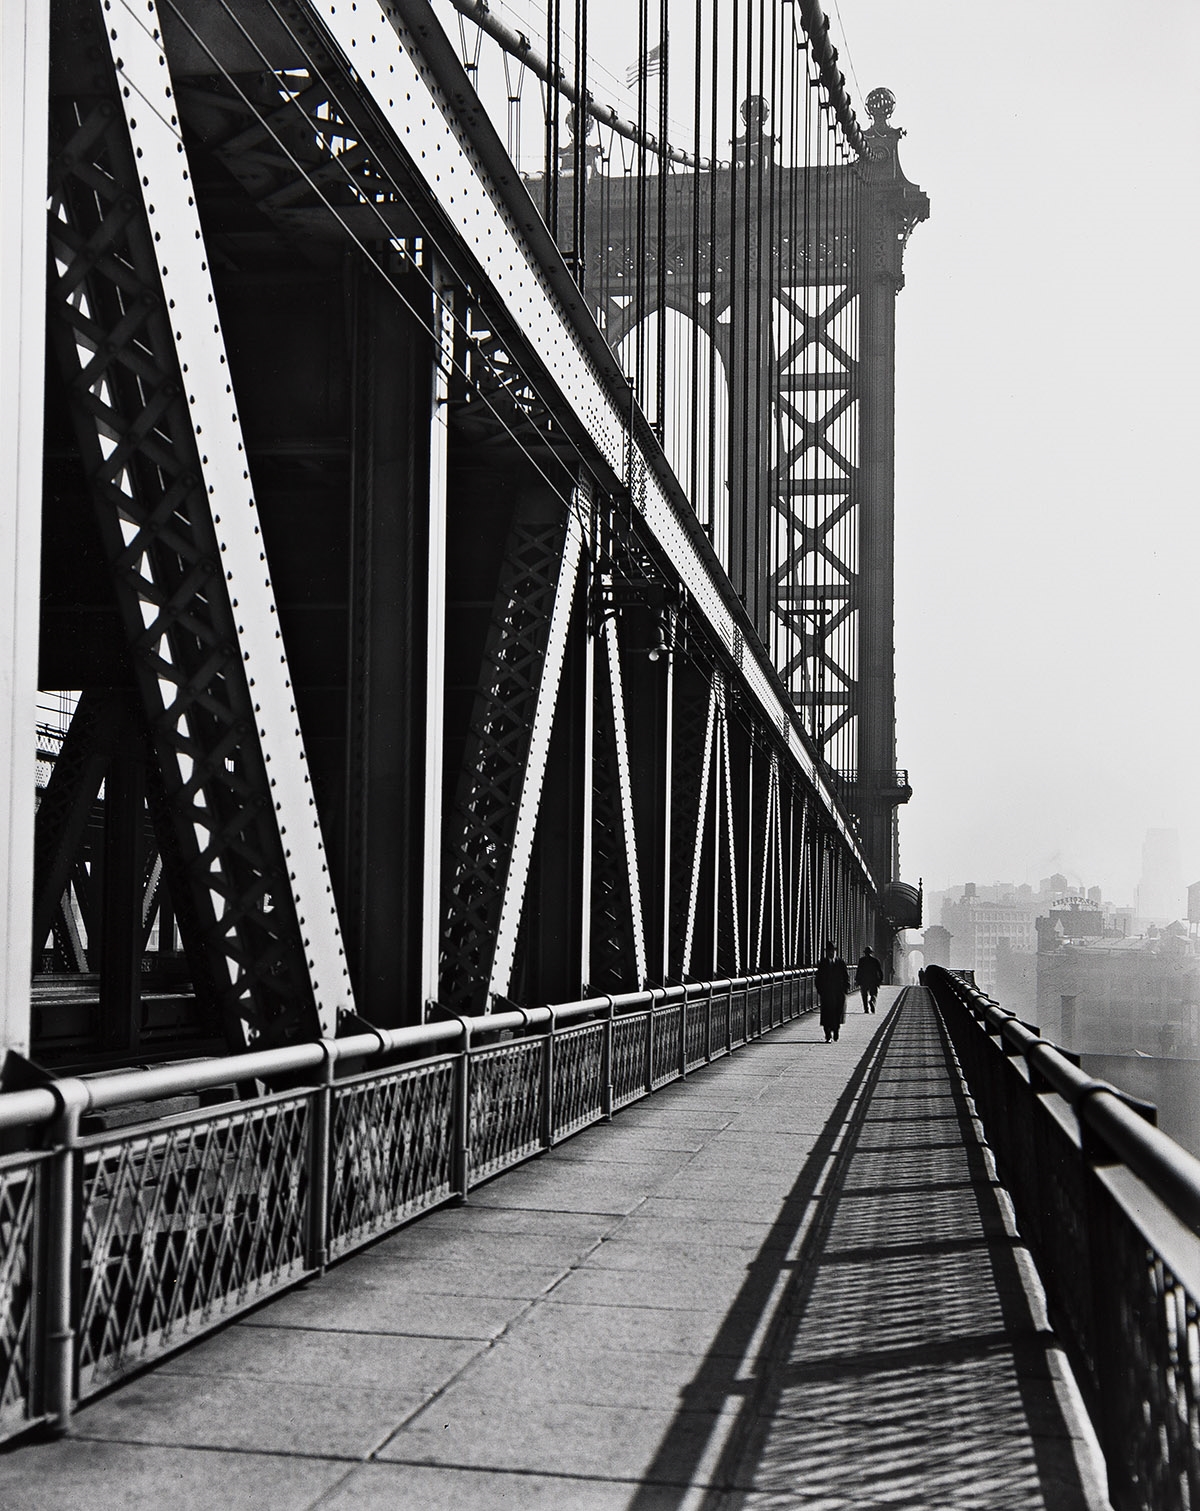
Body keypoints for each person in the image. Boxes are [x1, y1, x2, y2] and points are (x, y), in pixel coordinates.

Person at [815, 941, 851, 1042]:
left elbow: (845, 976)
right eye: (829, 951)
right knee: (826, 1014)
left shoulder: (840, 962)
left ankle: (836, 1030)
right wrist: (820, 990)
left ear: (835, 951)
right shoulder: (823, 963)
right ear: (826, 952)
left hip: (838, 993)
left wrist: (845, 989)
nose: (831, 953)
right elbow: (818, 978)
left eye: (833, 950)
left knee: (837, 1013)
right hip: (826, 993)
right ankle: (827, 1035)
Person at [856, 946, 884, 1014]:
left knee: (864, 995)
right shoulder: (875, 960)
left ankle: (866, 1009)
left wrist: (857, 980)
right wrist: (880, 980)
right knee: (873, 994)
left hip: (864, 980)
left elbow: (859, 971)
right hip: (873, 981)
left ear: (865, 953)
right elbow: (880, 971)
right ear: (871, 953)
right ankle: (872, 1001)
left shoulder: (861, 960)